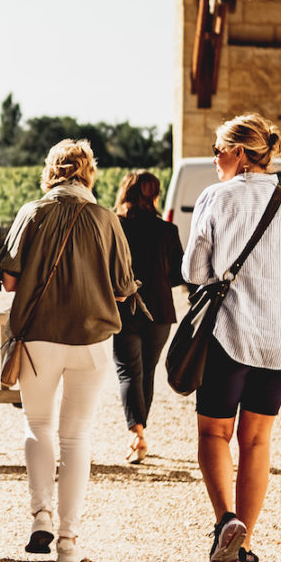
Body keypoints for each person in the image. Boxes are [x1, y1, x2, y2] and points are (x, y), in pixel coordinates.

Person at [183, 114, 281, 562]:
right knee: (258, 439)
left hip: (231, 333)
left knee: (213, 433)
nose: (215, 157)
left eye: (219, 148)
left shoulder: (216, 197)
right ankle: (242, 549)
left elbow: (194, 271)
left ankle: (226, 521)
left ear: (240, 153)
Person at [0, 139, 136, 562]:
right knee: (77, 437)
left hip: (38, 338)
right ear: (88, 172)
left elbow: (9, 282)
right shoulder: (106, 218)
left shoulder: (31, 213)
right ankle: (68, 541)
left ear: (51, 171)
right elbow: (124, 287)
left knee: (38, 426)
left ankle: (40, 515)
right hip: (92, 340)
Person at [112, 170, 184, 464]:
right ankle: (139, 434)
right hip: (160, 312)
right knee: (148, 371)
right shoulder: (168, 231)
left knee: (129, 371)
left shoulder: (115, 227)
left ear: (125, 192)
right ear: (154, 195)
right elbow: (179, 275)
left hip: (124, 308)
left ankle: (137, 434)